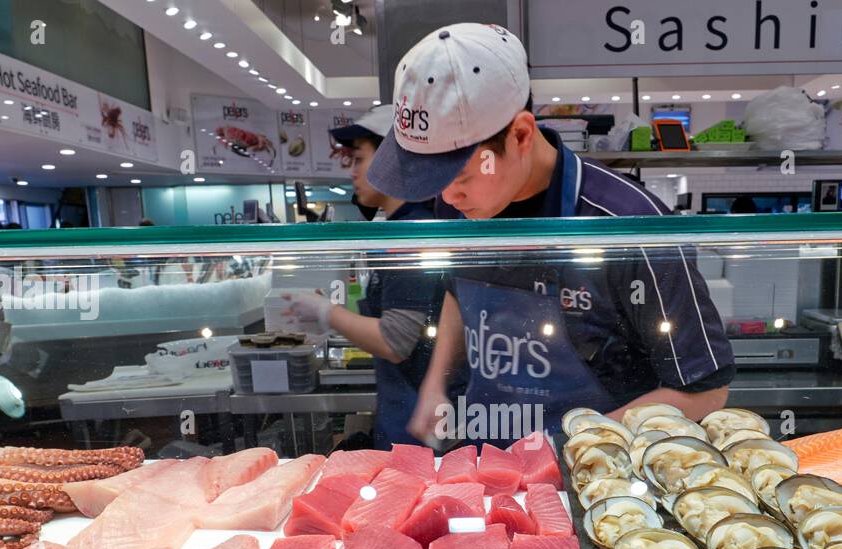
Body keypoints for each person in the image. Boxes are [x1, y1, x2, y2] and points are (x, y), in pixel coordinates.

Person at [366, 23, 734, 445]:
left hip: (598, 486)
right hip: (488, 459)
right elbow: (457, 289)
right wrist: (436, 384)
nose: (447, 195)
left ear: (521, 135)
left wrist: (581, 446)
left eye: (460, 174)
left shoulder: (629, 226)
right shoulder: (458, 202)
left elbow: (706, 388)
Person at [276, 104, 446, 447]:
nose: (352, 171)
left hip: (419, 427)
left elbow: (394, 341)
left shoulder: (411, 233)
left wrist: (327, 313)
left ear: (390, 159)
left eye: (359, 158)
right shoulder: (393, 230)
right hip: (403, 417)